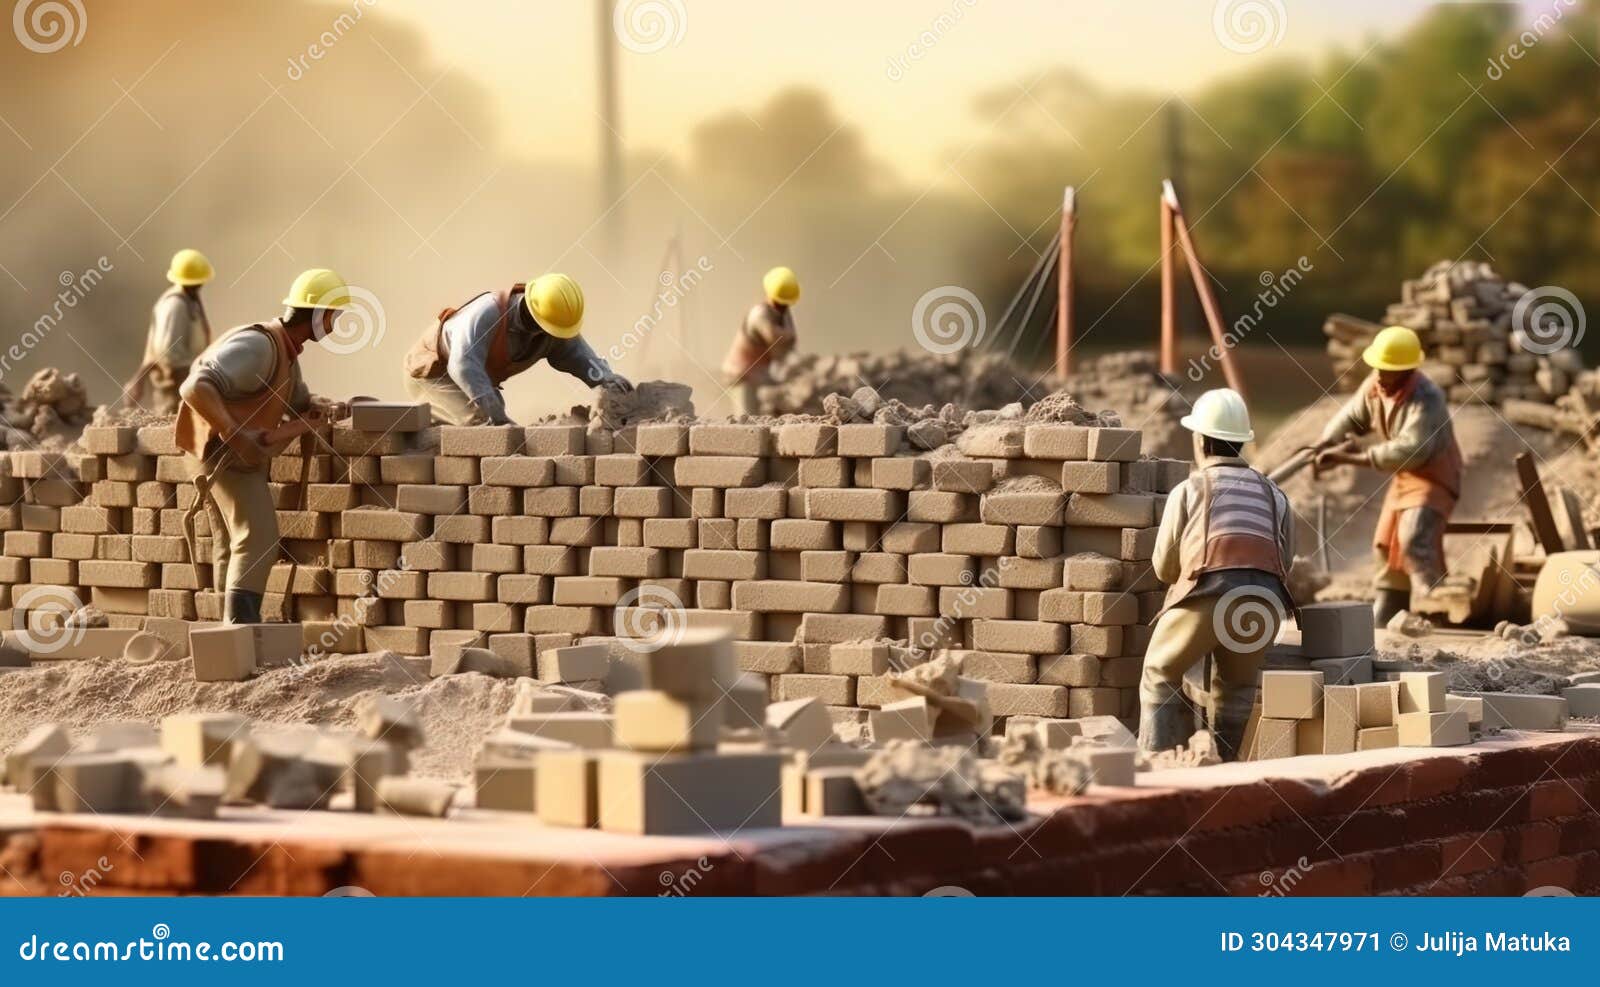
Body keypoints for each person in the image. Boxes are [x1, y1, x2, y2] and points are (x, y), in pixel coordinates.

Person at [176, 268, 352, 624]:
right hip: (223, 457)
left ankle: (226, 639)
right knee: (257, 537)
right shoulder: (259, 345)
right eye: (334, 316)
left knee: (231, 543)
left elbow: (294, 400)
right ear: (318, 315)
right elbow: (195, 387)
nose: (335, 326)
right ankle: (241, 629)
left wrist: (322, 407)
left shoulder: (284, 351)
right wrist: (235, 433)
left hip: (229, 456)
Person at [1141, 388, 1295, 758]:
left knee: (1159, 673)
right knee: (1237, 689)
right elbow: (1284, 561)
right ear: (1242, 443)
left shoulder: (1191, 489)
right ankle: (1224, 765)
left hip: (1209, 593)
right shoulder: (1275, 493)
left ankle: (1156, 763)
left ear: (1200, 440)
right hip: (1262, 604)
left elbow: (1164, 567)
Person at [1314, 325, 1462, 627]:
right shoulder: (1376, 385)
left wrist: (1349, 457)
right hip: (1404, 476)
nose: (1381, 375)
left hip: (1433, 474)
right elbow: (1353, 415)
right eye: (1379, 368)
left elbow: (1410, 451)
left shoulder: (1426, 399)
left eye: (1389, 370)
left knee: (1413, 538)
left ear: (1408, 372)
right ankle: (1391, 607)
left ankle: (1436, 603)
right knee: (1385, 543)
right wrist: (1327, 440)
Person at [403, 273, 630, 425]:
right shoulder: (487, 314)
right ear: (533, 313)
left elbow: (576, 354)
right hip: (434, 375)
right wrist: (501, 422)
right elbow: (462, 365)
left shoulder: (552, 326)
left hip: (472, 377)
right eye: (553, 328)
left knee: (494, 419)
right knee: (484, 423)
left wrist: (606, 379)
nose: (556, 336)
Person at [128, 249, 214, 413]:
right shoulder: (175, 306)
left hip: (188, 385)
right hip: (175, 390)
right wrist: (196, 372)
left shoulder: (190, 301)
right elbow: (168, 354)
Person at [721, 266, 799, 415]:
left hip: (760, 375)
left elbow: (790, 341)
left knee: (770, 419)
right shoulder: (759, 315)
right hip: (742, 376)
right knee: (747, 423)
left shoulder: (782, 314)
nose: (783, 306)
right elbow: (776, 341)